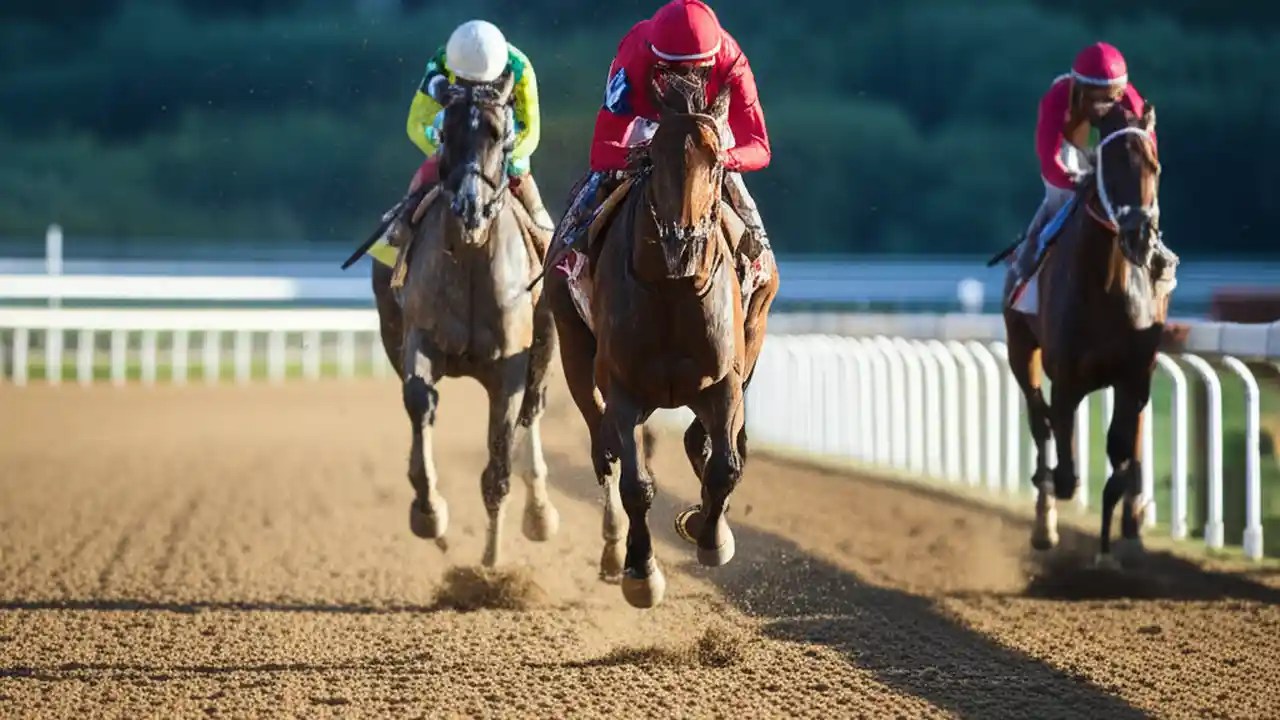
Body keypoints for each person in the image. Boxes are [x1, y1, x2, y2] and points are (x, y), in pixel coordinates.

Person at [553, 0, 772, 271]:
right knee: (603, 180)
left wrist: (720, 158)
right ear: (654, 58)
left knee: (736, 190)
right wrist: (642, 156)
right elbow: (601, 151)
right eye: (672, 71)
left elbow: (759, 147)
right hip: (647, 124)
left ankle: (760, 261)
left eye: (696, 72)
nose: (686, 80)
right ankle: (572, 250)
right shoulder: (634, 56)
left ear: (712, 62)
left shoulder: (733, 63)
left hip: (710, 129)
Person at [1007, 41, 1174, 307]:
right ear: (1078, 88)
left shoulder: (1132, 101)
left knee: (1141, 195)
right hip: (1069, 152)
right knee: (1059, 202)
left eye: (1110, 97)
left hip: (1111, 153)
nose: (1103, 107)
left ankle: (1155, 250)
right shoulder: (1057, 99)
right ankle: (1028, 262)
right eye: (1095, 97)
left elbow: (1148, 155)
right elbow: (1049, 161)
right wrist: (1073, 183)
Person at [377, 19, 551, 263]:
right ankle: (391, 253)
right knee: (415, 193)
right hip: (454, 150)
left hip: (503, 155)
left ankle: (555, 270)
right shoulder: (441, 63)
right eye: (466, 83)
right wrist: (446, 144)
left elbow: (531, 135)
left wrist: (500, 152)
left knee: (540, 218)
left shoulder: (520, 67)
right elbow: (416, 123)